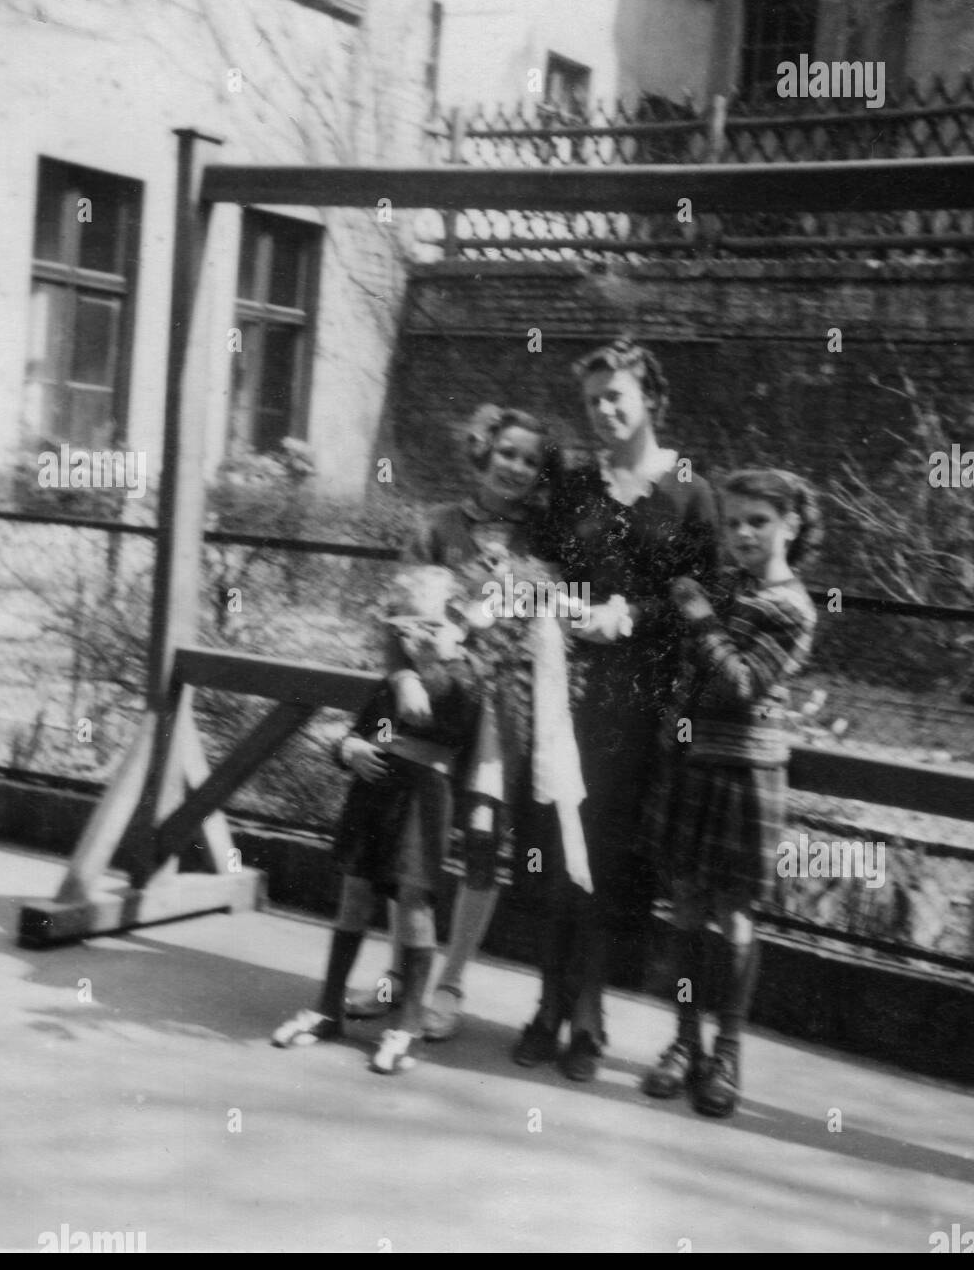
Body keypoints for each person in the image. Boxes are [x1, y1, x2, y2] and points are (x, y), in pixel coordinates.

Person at [512, 336, 720, 1082]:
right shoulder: (573, 484)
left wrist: (629, 615)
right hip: (565, 689)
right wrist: (554, 601)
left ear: (650, 400)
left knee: (601, 856)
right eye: (592, 401)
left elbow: (702, 598)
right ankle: (545, 1005)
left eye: (616, 398)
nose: (602, 412)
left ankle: (589, 1017)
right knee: (551, 841)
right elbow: (535, 566)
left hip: (640, 704)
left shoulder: (691, 489)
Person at [344, 406, 584, 1041]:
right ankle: (399, 974)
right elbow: (400, 612)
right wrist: (400, 676)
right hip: (433, 701)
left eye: (532, 461)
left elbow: (554, 626)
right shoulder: (439, 528)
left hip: (501, 710)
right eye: (508, 452)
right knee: (410, 836)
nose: (517, 468)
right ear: (483, 451)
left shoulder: (549, 539)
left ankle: (449, 982)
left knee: (482, 839)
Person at [639, 468, 820, 1117]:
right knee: (685, 910)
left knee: (735, 917)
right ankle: (684, 1044)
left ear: (789, 526)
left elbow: (741, 684)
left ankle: (728, 1053)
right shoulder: (726, 587)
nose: (741, 534)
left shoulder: (792, 606)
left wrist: (696, 615)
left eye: (758, 522)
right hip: (692, 767)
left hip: (746, 777)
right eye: (732, 522)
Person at [269, 565, 483, 1073]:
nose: (418, 638)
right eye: (408, 628)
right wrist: (352, 748)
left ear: (460, 624)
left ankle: (406, 1027)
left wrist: (426, 669)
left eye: (431, 627)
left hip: (423, 799)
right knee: (355, 894)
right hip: (374, 792)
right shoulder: (394, 681)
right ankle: (327, 1008)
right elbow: (364, 728)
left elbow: (451, 718)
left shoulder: (466, 676)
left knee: (413, 901)